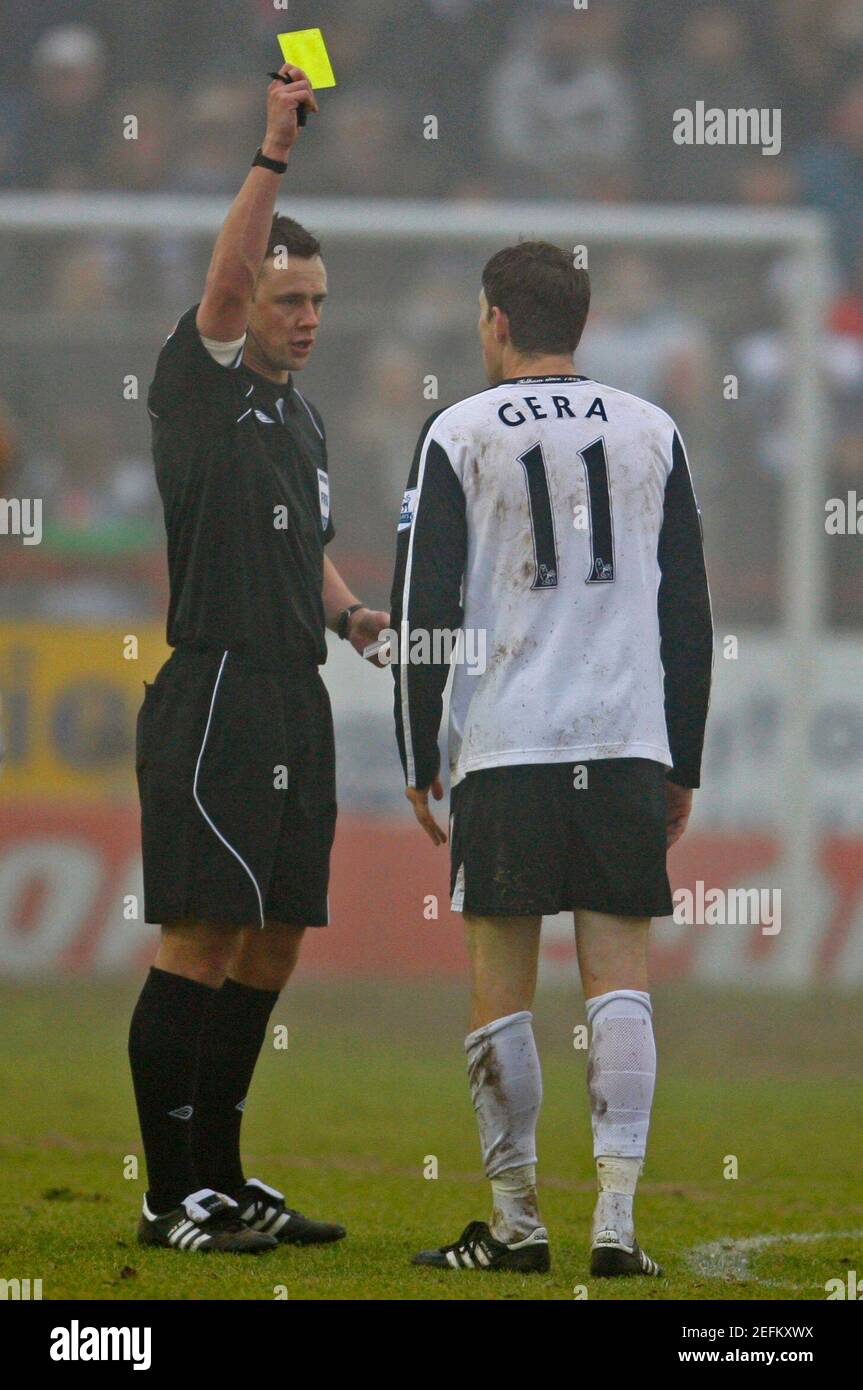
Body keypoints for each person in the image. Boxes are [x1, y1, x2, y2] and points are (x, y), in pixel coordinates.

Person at [390, 241, 713, 1275]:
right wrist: (683, 759)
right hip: (621, 742)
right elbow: (687, 612)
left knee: (501, 986)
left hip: (508, 743)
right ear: (578, 321)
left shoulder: (458, 429)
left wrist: (415, 746)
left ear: (493, 321)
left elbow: (421, 607)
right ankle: (615, 1227)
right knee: (618, 982)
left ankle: (517, 1225)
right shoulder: (650, 429)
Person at [129, 63, 389, 1254]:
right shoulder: (200, 383)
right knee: (201, 934)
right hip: (220, 684)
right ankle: (164, 1191)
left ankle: (223, 1179)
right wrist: (273, 149)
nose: (304, 317)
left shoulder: (301, 416)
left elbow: (311, 553)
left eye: (318, 300)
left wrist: (348, 616)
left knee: (275, 934)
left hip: (295, 688)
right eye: (289, 298)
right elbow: (225, 284)